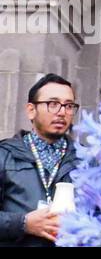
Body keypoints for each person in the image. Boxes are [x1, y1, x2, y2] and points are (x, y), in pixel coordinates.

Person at [0, 74, 77, 247]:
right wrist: (23, 223)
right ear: (31, 110)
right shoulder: (5, 155)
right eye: (53, 104)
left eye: (69, 105)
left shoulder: (85, 160)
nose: (62, 112)